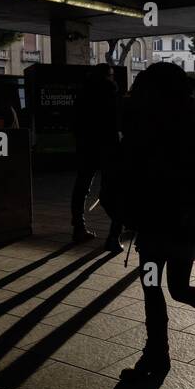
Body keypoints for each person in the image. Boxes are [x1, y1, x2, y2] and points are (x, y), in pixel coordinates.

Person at [115, 62, 195, 376]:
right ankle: (162, 349)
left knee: (163, 286)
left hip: (168, 217)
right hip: (181, 218)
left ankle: (164, 350)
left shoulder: (165, 120)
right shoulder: (190, 116)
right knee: (172, 286)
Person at [70, 65, 123, 250]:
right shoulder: (112, 94)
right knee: (114, 191)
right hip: (108, 148)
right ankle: (114, 237)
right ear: (108, 77)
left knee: (81, 188)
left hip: (86, 147)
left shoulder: (82, 95)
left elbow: (75, 123)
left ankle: (79, 227)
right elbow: (117, 124)